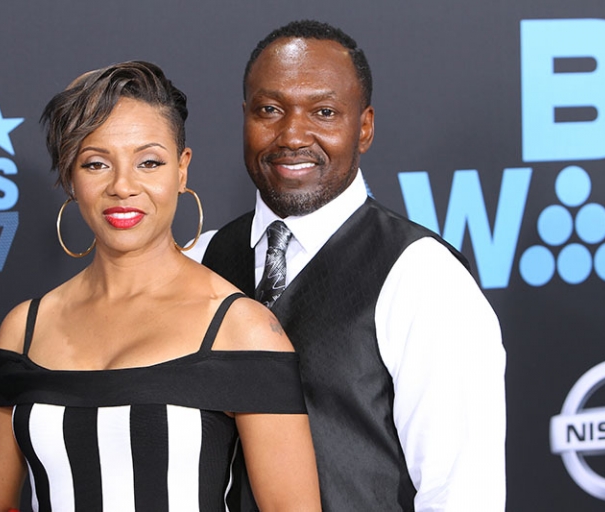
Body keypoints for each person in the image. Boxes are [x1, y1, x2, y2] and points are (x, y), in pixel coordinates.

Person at [0, 61, 320, 511]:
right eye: (96, 163)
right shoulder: (23, 330)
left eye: (148, 162)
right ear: (70, 178)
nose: (122, 186)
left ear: (181, 169)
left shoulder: (243, 330)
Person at [186, 20, 506, 511]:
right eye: (269, 110)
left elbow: (461, 495)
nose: (292, 135)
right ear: (244, 117)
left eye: (324, 111)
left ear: (365, 128)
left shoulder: (424, 278)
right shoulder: (199, 260)